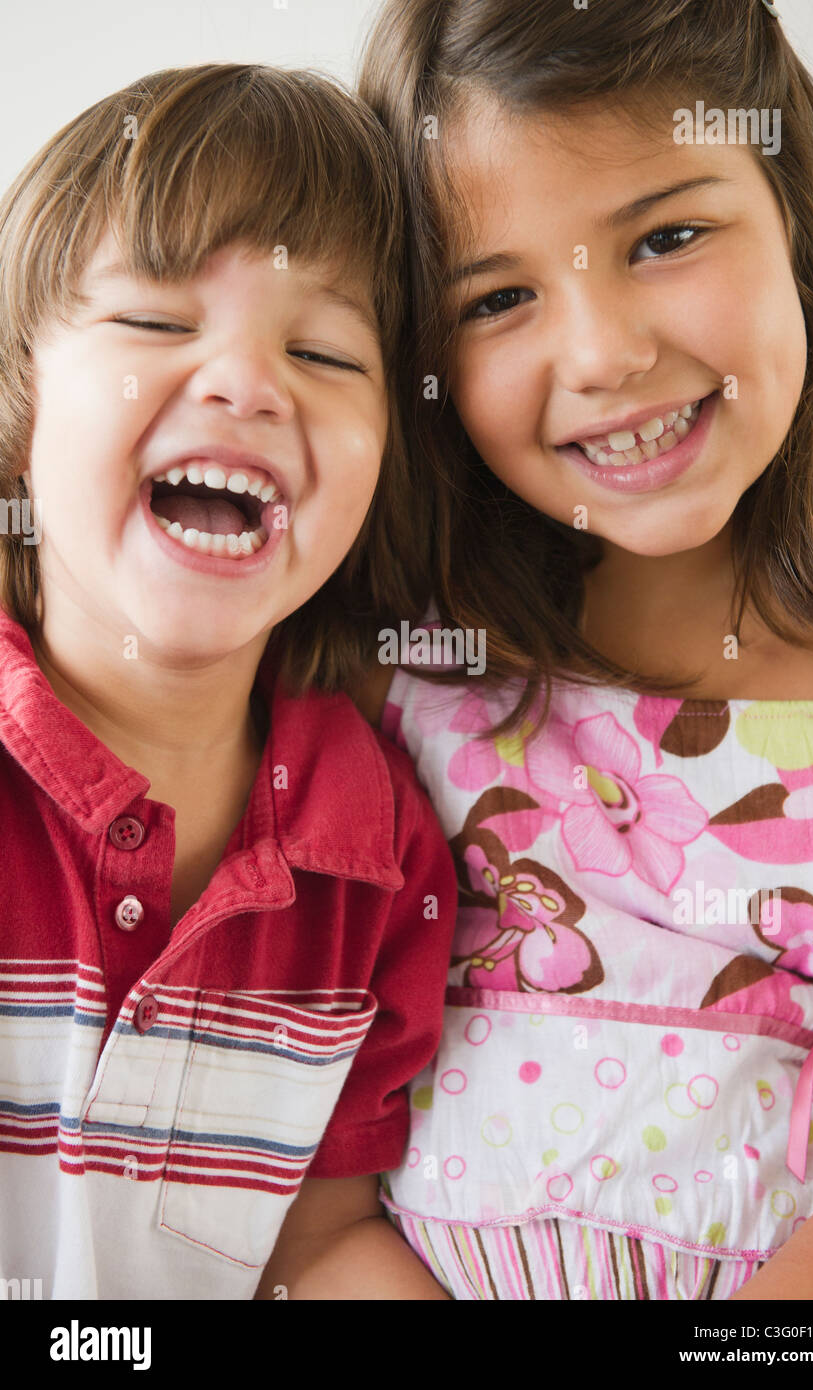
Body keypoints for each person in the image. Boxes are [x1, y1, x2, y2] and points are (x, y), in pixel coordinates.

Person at [356, 0, 813, 1298]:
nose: (604, 352)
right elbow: (305, 1198)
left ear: (797, 212)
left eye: (669, 235)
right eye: (501, 297)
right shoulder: (392, 670)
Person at [0, 62, 456, 1300]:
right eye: (154, 323)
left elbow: (318, 1244)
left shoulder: (381, 857)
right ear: (22, 404)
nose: (250, 383)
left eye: (323, 351)